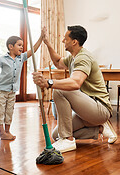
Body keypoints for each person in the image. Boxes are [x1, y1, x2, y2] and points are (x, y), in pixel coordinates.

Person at [32, 25, 117, 153]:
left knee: (60, 89)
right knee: (56, 135)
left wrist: (48, 83)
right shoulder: (73, 57)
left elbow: (75, 83)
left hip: (100, 108)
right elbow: (58, 62)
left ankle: (68, 139)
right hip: (86, 109)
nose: (63, 41)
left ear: (74, 41)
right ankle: (100, 129)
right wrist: (47, 43)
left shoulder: (83, 57)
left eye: (65, 39)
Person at [0, 30, 44, 140]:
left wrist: (41, 37)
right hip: (0, 90)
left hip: (12, 91)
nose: (22, 47)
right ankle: (2, 133)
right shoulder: (2, 59)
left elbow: (33, 50)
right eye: (19, 45)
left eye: (22, 45)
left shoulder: (21, 58)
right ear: (10, 46)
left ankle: (7, 132)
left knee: (9, 111)